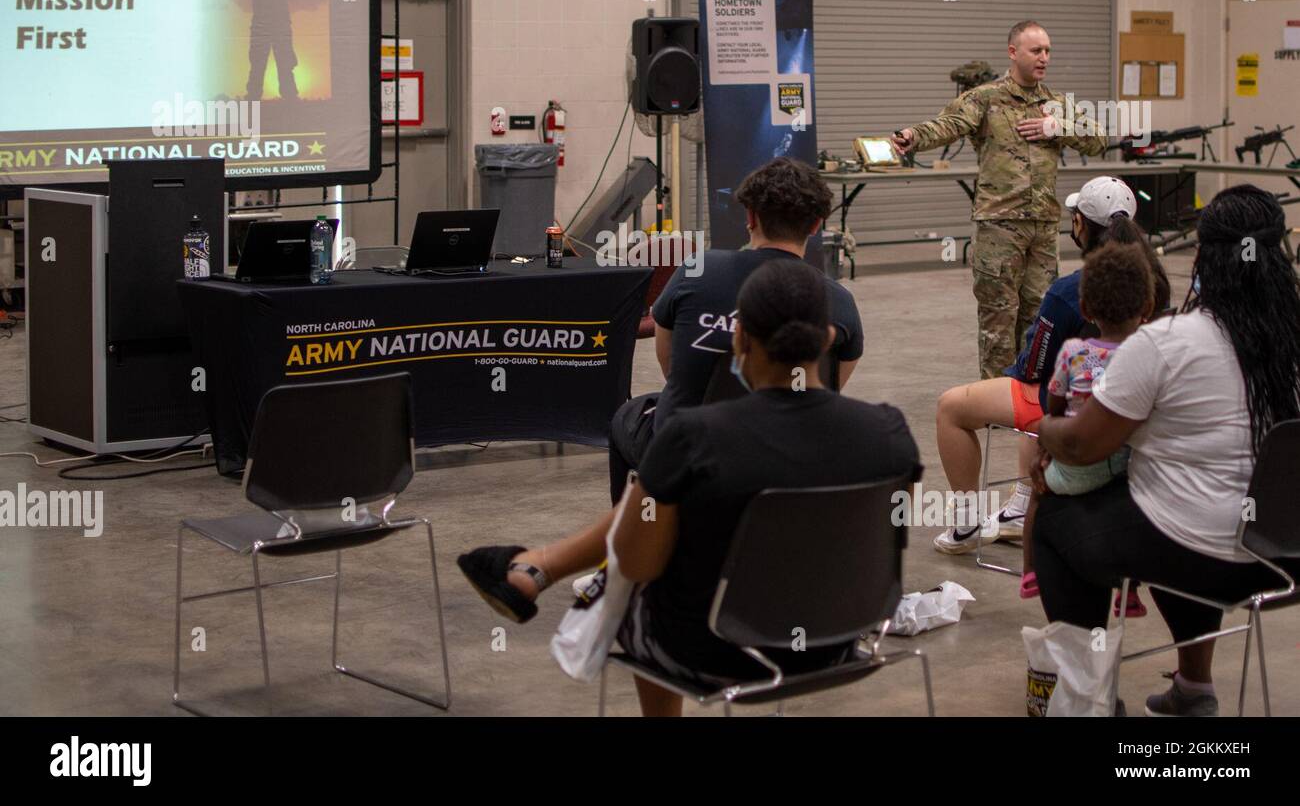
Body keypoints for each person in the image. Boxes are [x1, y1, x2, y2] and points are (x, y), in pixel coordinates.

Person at [457, 259, 922, 717]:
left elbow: (636, 564)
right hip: (840, 641)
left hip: (711, 653)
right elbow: (882, 540)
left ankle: (536, 568)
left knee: (646, 554)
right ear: (826, 341)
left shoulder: (696, 436)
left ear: (739, 340)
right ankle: (537, 567)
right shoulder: (889, 432)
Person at [1034, 185, 1300, 716]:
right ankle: (1192, 689)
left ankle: (1090, 697)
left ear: (1203, 259)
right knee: (1184, 509)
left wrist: (1044, 429)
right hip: (1284, 556)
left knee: (1058, 520)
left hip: (1198, 557)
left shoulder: (1168, 342)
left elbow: (1084, 446)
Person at [930, 177, 1170, 554]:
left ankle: (966, 524)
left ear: (1080, 225)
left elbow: (1035, 368)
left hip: (1079, 407)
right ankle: (1020, 504)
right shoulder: (1158, 280)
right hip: (1135, 400)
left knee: (952, 406)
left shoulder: (1069, 290)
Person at [606, 157, 863, 504]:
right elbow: (823, 390)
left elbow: (673, 370)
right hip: (784, 455)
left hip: (686, 453)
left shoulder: (696, 270)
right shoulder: (840, 303)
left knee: (626, 415)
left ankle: (634, 542)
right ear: (817, 225)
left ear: (750, 217)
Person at [893, 21, 1109, 380]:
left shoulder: (1056, 104)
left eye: (1048, 51)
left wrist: (1056, 128)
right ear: (1013, 52)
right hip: (999, 227)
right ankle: (994, 401)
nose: (1044, 58)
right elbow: (948, 124)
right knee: (998, 318)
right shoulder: (985, 98)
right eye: (1036, 51)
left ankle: (1030, 394)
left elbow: (1099, 137)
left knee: (1041, 318)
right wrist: (913, 135)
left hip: (1041, 227)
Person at [1019, 241, 1153, 620]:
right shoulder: (1148, 352)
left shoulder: (1074, 351)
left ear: (1085, 309)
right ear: (1146, 307)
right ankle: (1128, 593)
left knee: (1037, 492)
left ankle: (1030, 571)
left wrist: (1053, 431)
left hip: (1074, 473)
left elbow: (1055, 403)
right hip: (1126, 472)